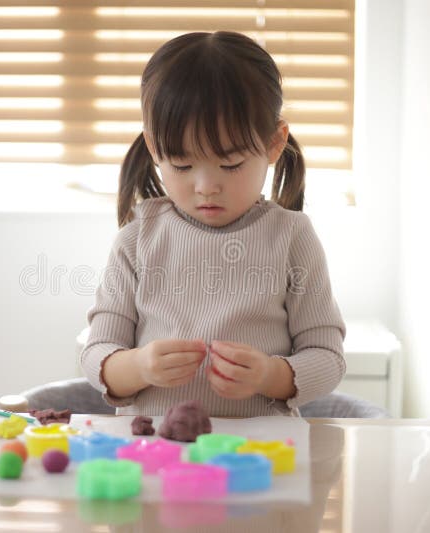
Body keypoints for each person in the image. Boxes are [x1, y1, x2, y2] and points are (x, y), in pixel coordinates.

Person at [80, 31, 345, 417]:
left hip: (258, 456)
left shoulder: (291, 237)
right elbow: (96, 354)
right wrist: (139, 367)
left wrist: (270, 375)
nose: (206, 188)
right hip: (157, 453)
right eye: (183, 166)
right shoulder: (137, 238)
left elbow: (327, 357)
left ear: (274, 143)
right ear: (155, 148)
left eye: (231, 164)